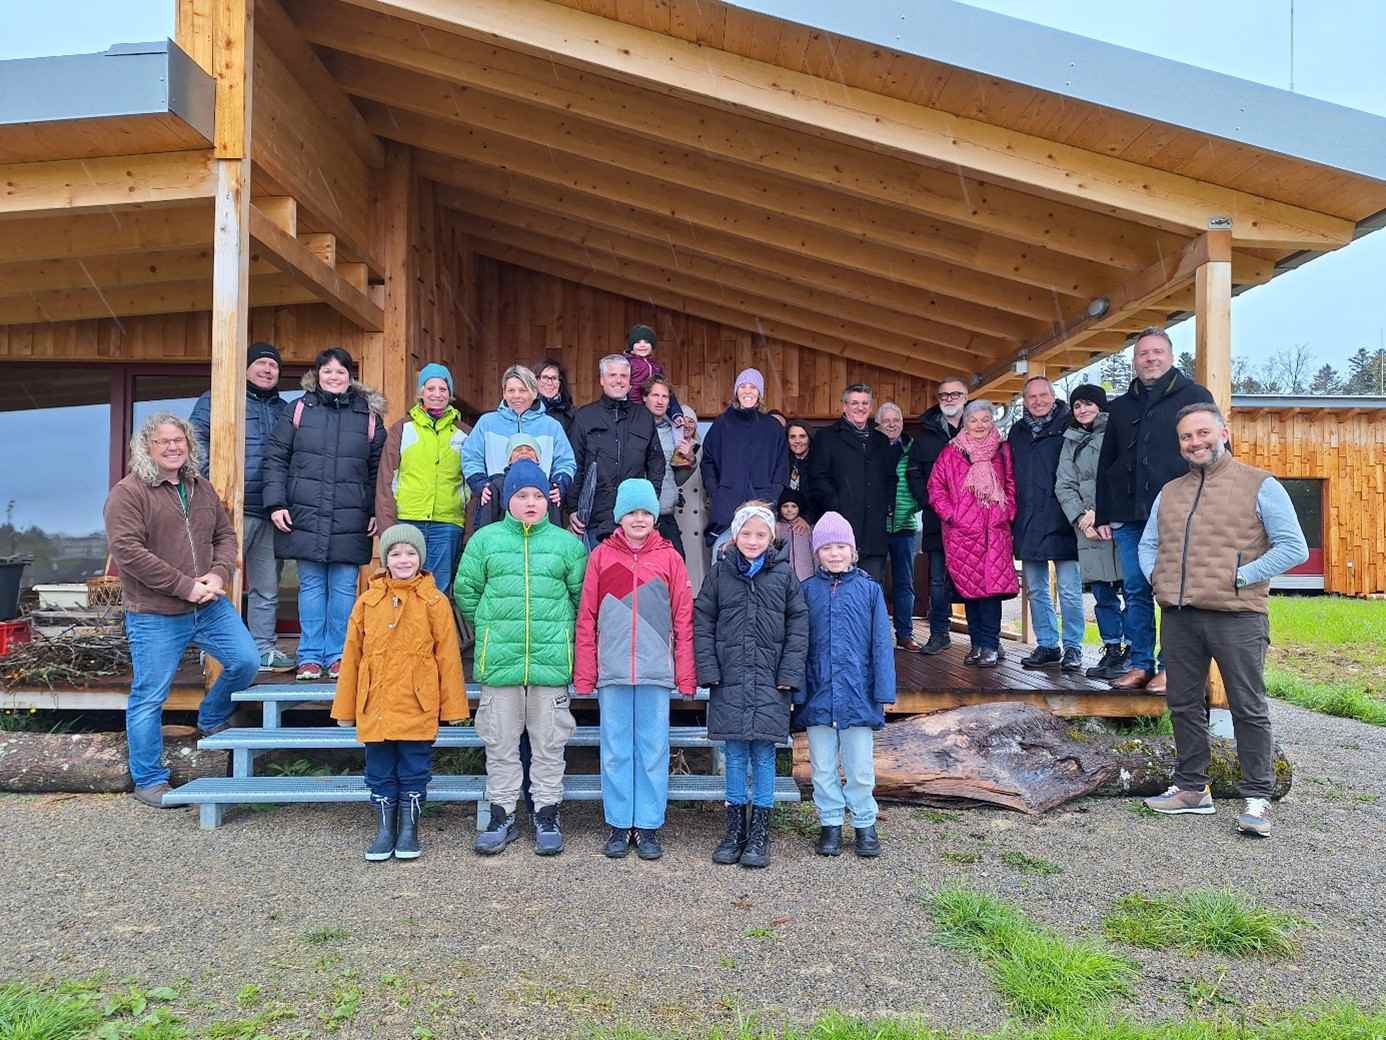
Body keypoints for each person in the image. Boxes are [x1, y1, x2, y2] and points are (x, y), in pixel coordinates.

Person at [1139, 404, 1307, 838]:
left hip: (1238, 616)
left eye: (1202, 433)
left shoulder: (1260, 484)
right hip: (1180, 615)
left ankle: (1257, 799)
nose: (1195, 442)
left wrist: (1241, 577)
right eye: (1186, 437)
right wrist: (1159, 579)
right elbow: (1149, 544)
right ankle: (1192, 789)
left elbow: (1293, 547)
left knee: (1247, 707)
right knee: (1183, 704)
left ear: (1224, 433)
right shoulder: (1170, 491)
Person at [104, 413, 260, 808]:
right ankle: (149, 780)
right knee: (149, 697)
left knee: (246, 661)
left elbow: (225, 535)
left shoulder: (199, 486)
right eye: (164, 441)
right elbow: (129, 554)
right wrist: (184, 586)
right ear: (147, 447)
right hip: (155, 612)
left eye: (180, 440)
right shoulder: (128, 493)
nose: (173, 447)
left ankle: (212, 717)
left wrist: (219, 573)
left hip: (208, 605)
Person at [455, 460, 589, 856]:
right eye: (521, 495)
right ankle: (502, 814)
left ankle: (547, 814)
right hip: (501, 663)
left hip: (550, 664)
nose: (530, 502)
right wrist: (490, 627)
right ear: (507, 500)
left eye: (537, 495)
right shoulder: (485, 541)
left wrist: (563, 636)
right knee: (500, 744)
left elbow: (582, 599)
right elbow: (466, 592)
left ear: (548, 500)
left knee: (549, 744)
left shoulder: (567, 545)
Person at [331, 524, 468, 862]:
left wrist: (453, 709)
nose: (403, 560)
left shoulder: (434, 601)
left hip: (417, 702)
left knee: (414, 767)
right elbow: (352, 657)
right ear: (385, 559)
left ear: (420, 558)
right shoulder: (367, 601)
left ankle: (409, 829)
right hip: (375, 702)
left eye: (410, 553)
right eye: (395, 553)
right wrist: (346, 709)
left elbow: (448, 656)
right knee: (378, 769)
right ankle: (385, 830)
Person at [574, 479, 695, 861]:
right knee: (615, 750)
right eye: (631, 512)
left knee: (653, 749)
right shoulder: (601, 557)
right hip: (613, 670)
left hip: (655, 671)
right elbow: (586, 616)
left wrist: (685, 673)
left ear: (655, 516)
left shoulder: (670, 558)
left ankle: (647, 825)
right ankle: (618, 823)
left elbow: (683, 618)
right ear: (619, 517)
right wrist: (585, 672)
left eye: (645, 512)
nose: (639, 519)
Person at [1096, 328, 1215, 692]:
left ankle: (1171, 667)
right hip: (1129, 514)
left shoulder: (1194, 396)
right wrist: (1103, 513)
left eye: (1157, 352)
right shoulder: (1121, 406)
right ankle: (1140, 664)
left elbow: (1215, 451)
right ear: (1135, 361)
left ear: (1170, 356)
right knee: (1135, 589)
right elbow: (1107, 461)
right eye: (1143, 354)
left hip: (1177, 512)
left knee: (1173, 590)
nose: (1150, 358)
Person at [694, 502, 808, 869]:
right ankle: (734, 830)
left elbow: (798, 627)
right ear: (735, 536)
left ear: (771, 537)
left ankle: (759, 831)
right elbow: (703, 621)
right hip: (729, 678)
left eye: (761, 534)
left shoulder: (784, 576)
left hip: (770, 681)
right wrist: (708, 668)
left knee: (763, 755)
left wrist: (789, 674)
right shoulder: (719, 574)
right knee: (734, 755)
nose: (753, 540)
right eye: (746, 533)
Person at [263, 347, 387, 681]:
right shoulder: (298, 409)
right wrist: (276, 504)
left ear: (350, 376)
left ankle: (339, 655)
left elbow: (379, 470)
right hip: (305, 513)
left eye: (340, 371)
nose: (334, 377)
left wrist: (376, 510)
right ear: (317, 375)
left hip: (351, 515)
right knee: (312, 587)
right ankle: (309, 656)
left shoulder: (368, 416)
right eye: (327, 371)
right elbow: (276, 459)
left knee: (345, 587)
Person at [792, 512, 895, 858]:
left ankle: (865, 823)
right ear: (817, 553)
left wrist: (883, 690)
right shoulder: (807, 591)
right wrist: (798, 690)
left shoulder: (870, 591)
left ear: (853, 551)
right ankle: (831, 823)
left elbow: (881, 644)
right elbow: (799, 645)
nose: (834, 554)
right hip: (819, 692)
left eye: (841, 547)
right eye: (827, 548)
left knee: (860, 767)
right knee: (822, 767)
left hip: (858, 693)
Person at [188, 341, 292, 671]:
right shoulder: (219, 398)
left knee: (267, 585)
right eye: (261, 363)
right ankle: (215, 648)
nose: (267, 369)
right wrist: (211, 484)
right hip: (229, 509)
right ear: (245, 368)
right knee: (220, 581)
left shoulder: (284, 409)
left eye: (273, 365)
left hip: (270, 510)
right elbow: (194, 440)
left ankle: (263, 648)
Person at [928, 400, 1019, 667]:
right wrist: (952, 515)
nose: (979, 425)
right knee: (971, 592)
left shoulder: (1002, 450)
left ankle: (990, 645)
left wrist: (1007, 512)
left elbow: (1012, 484)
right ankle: (977, 644)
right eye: (973, 420)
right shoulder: (950, 452)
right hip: (962, 533)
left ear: (992, 421)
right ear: (965, 423)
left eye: (985, 420)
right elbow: (936, 488)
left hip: (994, 533)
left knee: (991, 592)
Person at [375, 363, 469, 598]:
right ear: (421, 392)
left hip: (447, 523)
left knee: (438, 591)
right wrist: (387, 527)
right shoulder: (402, 429)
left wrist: (468, 529)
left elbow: (471, 484)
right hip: (407, 520)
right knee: (403, 587)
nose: (437, 394)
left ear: (450, 394)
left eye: (443, 389)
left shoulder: (464, 433)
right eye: (431, 388)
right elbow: (386, 480)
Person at [1008, 377, 1083, 673]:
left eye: (1043, 395)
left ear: (1053, 396)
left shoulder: (1070, 425)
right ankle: (1048, 644)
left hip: (1064, 518)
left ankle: (1073, 647)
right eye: (1032, 397)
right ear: (1024, 400)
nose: (1037, 401)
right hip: (1028, 519)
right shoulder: (1017, 432)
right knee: (1036, 589)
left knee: (1069, 590)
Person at [1054, 385, 1129, 680]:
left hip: (1117, 525)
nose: (1082, 410)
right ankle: (1112, 649)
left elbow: (1121, 476)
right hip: (1088, 530)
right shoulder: (1070, 440)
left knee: (1131, 592)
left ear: (1100, 406)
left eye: (1088, 404)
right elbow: (1064, 483)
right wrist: (1081, 517)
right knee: (1102, 595)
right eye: (1077, 406)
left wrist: (1102, 512)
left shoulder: (1117, 432)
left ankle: (1134, 651)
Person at [567, 355, 667, 544]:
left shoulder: (643, 416)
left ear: (630, 381)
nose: (618, 380)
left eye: (623, 376)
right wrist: (572, 508)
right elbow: (575, 464)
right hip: (595, 516)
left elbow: (656, 464)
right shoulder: (584, 416)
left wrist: (649, 502)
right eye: (612, 375)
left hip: (633, 516)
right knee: (597, 563)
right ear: (602, 380)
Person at [805, 384, 896, 583]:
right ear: (845, 406)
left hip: (873, 531)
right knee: (838, 588)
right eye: (854, 403)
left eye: (865, 403)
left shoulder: (881, 440)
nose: (860, 408)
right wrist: (836, 505)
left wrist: (887, 505)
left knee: (871, 587)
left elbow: (890, 478)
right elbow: (818, 477)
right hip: (839, 529)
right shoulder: (826, 437)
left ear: (871, 407)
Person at [463, 365, 574, 526]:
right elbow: (471, 457)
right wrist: (480, 484)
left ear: (534, 392)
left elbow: (566, 461)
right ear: (504, 392)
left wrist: (559, 484)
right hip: (497, 501)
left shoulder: (551, 426)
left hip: (538, 500)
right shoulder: (487, 423)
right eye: (511, 390)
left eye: (522, 390)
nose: (516, 396)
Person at [906, 378, 968, 655]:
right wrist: (930, 502)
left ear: (965, 397)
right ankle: (939, 633)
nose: (949, 398)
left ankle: (984, 640)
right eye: (944, 395)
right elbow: (914, 473)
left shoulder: (978, 428)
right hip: (938, 521)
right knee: (937, 580)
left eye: (955, 394)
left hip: (973, 524)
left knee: (975, 579)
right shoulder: (925, 436)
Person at [700, 368, 789, 542]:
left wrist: (772, 495)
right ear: (736, 392)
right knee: (723, 553)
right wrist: (716, 493)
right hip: (726, 510)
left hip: (762, 506)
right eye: (743, 386)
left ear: (760, 393)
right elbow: (708, 461)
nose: (747, 391)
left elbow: (781, 467)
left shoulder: (773, 428)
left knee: (758, 555)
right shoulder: (721, 424)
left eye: (753, 387)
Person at [877, 402, 923, 652]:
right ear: (878, 425)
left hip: (905, 525)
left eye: (896, 420)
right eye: (886, 421)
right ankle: (879, 634)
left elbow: (922, 483)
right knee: (875, 582)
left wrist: (912, 506)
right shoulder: (872, 448)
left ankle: (905, 634)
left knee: (905, 582)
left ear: (902, 423)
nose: (892, 424)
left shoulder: (912, 449)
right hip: (876, 526)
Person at [643, 375, 699, 557]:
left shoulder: (675, 432)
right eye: (655, 395)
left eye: (664, 397)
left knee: (678, 564)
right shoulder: (632, 428)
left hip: (666, 513)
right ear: (644, 397)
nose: (660, 401)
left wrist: (690, 460)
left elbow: (677, 479)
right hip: (639, 515)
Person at [470, 433, 562, 532]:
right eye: (518, 450)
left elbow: (555, 523)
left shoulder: (548, 487)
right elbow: (485, 521)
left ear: (537, 459)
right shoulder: (496, 485)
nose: (524, 452)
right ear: (509, 460)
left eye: (530, 449)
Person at [623, 323, 682, 416]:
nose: (642, 345)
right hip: (632, 411)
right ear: (632, 346)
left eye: (646, 342)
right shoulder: (626, 363)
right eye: (637, 342)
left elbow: (667, 390)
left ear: (652, 346)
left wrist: (676, 412)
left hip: (653, 409)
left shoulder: (656, 366)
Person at [776, 489, 815, 581]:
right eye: (785, 506)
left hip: (807, 576)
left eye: (794, 506)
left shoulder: (807, 528)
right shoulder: (776, 528)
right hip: (784, 578)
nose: (789, 510)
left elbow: (815, 554)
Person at [534, 356, 577, 438]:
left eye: (554, 378)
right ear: (536, 380)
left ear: (560, 382)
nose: (550, 383)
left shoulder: (572, 414)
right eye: (545, 377)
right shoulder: (526, 411)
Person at [784, 421, 815, 511]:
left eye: (802, 436)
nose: (797, 441)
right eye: (792, 437)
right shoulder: (782, 463)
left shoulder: (819, 463)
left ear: (809, 438)